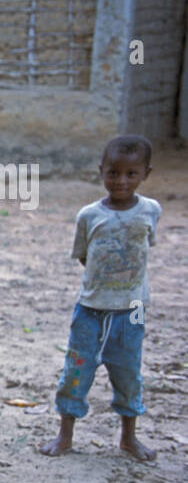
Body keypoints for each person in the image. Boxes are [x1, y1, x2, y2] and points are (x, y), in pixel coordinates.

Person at [40, 134, 161, 461]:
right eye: (113, 172)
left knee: (129, 369)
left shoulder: (151, 210)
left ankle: (128, 438)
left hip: (134, 307)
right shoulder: (89, 215)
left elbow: (144, 250)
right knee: (77, 369)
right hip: (91, 308)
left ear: (145, 174)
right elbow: (85, 257)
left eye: (131, 174)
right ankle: (65, 435)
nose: (121, 181)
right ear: (101, 171)